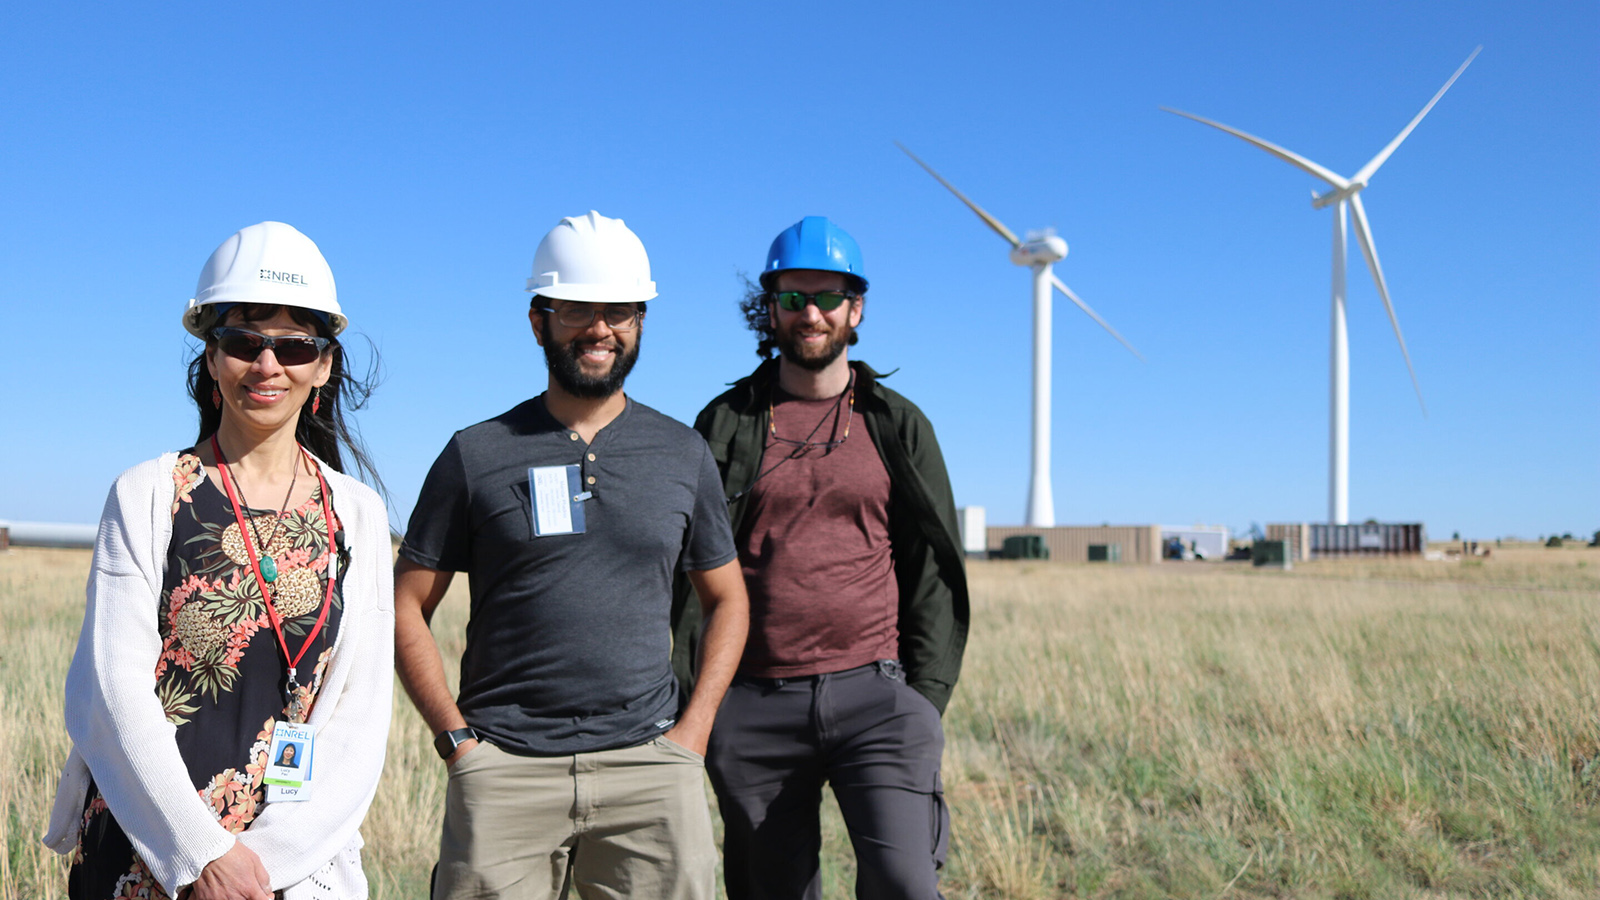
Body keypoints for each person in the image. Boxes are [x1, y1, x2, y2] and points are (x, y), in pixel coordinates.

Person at [395, 211, 749, 900]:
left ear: (641, 322)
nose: (599, 328)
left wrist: (692, 734)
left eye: (619, 311)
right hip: (505, 768)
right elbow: (406, 602)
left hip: (650, 767)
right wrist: (458, 744)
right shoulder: (477, 452)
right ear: (538, 320)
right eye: (577, 309)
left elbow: (728, 597)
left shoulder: (682, 453)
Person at [44, 221, 395, 900]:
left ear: (324, 364)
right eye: (243, 343)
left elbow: (359, 719)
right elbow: (111, 690)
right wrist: (203, 854)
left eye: (295, 346)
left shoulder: (358, 515)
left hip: (287, 875)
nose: (268, 366)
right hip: (147, 853)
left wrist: (258, 867)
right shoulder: (148, 494)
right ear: (210, 358)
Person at [672, 216, 969, 899]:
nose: (811, 312)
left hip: (878, 693)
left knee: (905, 883)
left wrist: (922, 699)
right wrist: (701, 698)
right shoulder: (724, 423)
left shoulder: (897, 424)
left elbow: (933, 566)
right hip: (753, 701)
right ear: (769, 308)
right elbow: (688, 566)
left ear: (855, 308)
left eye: (828, 297)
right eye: (793, 298)